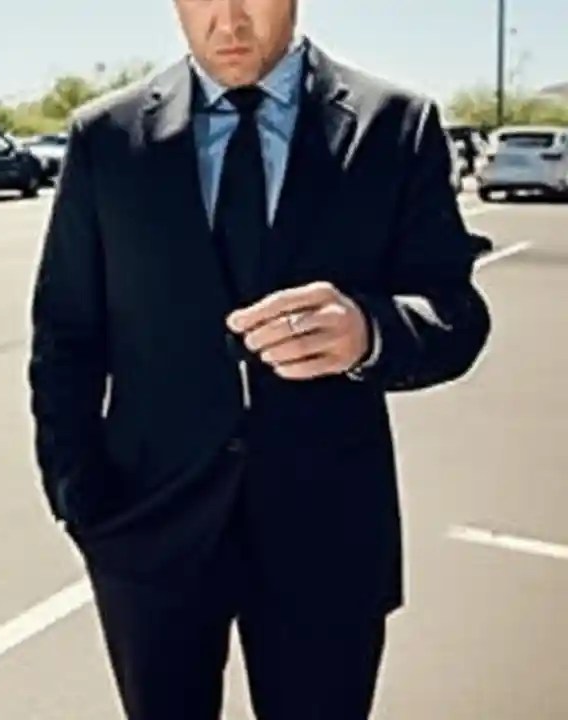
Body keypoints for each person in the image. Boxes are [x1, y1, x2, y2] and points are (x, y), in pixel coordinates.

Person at [27, 1, 492, 718]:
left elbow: (454, 311)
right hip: (148, 533)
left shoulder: (395, 124)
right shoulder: (107, 137)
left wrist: (371, 331)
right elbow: (66, 336)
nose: (229, 21)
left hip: (328, 532)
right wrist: (79, 498)